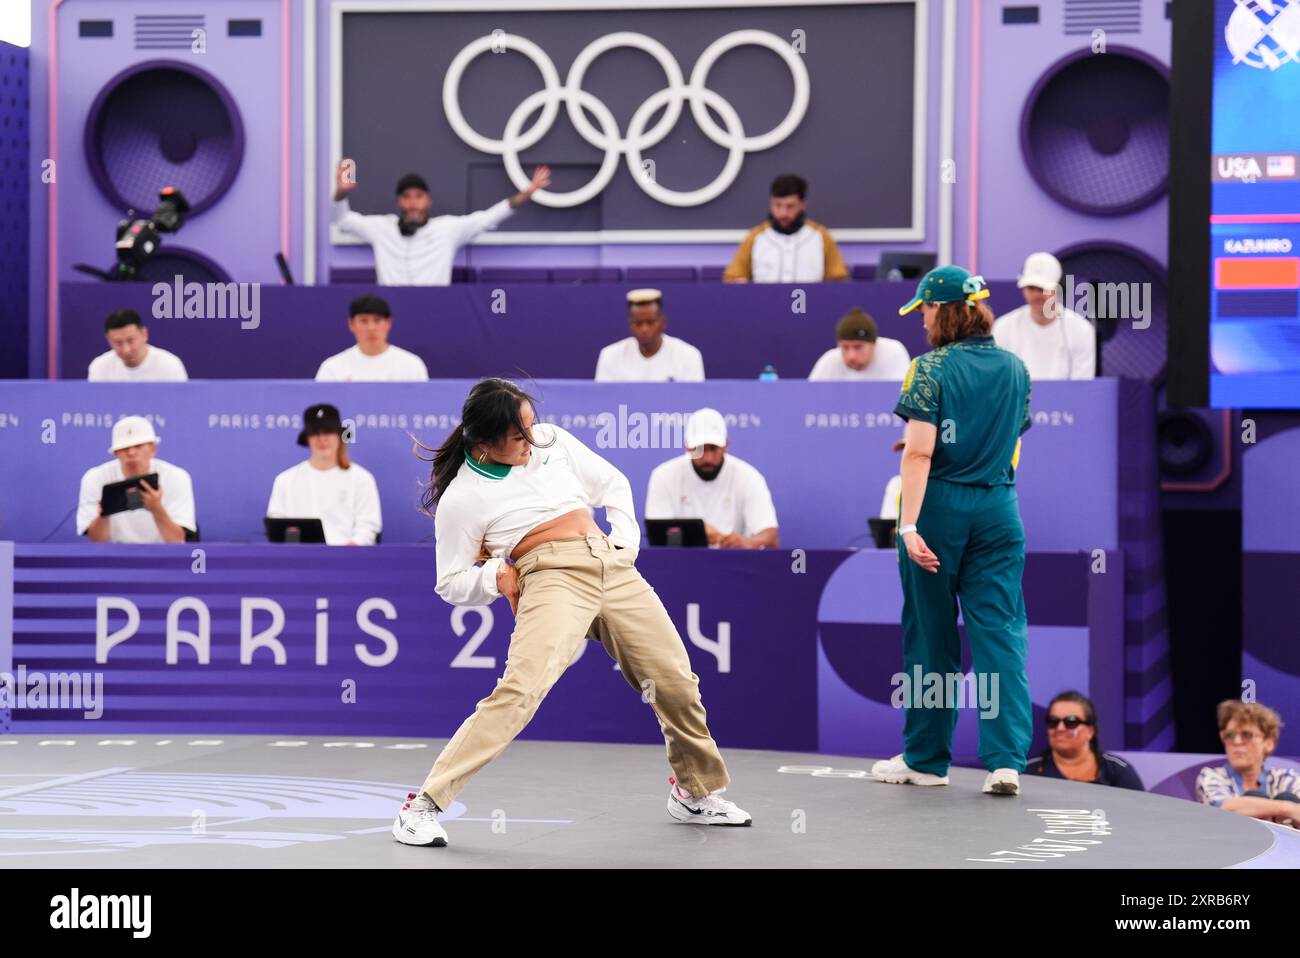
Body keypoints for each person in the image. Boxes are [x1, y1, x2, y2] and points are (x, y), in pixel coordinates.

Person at [393, 379, 750, 846]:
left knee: (675, 680)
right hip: (550, 575)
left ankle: (693, 791)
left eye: (531, 426)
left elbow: (613, 484)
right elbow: (450, 581)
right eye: (519, 436)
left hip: (610, 563)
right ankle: (423, 806)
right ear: (484, 442)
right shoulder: (463, 498)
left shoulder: (552, 441)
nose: (532, 439)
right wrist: (495, 576)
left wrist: (625, 542)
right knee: (521, 689)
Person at [870, 265, 1034, 796]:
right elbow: (1014, 444)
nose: (922, 322)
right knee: (1000, 635)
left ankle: (926, 760)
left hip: (940, 507)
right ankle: (1006, 762)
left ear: (941, 311)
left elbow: (918, 452)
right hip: (1000, 506)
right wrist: (995, 489)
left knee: (931, 635)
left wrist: (910, 523)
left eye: (924, 311)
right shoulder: (1016, 368)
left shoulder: (928, 368)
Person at [330, 161, 551, 286]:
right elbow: (341, 220)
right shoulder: (381, 228)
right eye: (407, 197)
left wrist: (527, 192)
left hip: (436, 306)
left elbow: (488, 218)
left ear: (428, 200)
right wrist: (341, 192)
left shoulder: (447, 229)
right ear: (399, 202)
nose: (413, 202)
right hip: (389, 311)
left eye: (418, 196)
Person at [644, 408, 779, 549]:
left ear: (726, 445)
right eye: (700, 448)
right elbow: (658, 534)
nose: (708, 457)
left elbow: (770, 537)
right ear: (687, 446)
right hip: (680, 564)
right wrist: (698, 533)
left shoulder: (749, 477)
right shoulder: (663, 476)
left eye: (713, 448)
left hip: (734, 563)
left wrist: (745, 543)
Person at [266, 403, 382, 545]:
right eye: (315, 432)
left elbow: (368, 528)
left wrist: (351, 547)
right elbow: (277, 526)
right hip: (297, 562)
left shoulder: (361, 479)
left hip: (346, 561)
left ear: (339, 436)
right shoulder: (285, 480)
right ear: (307, 438)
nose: (322, 438)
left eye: (328, 431)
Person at [77, 416, 196, 544]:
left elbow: (177, 541)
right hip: (114, 556)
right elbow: (96, 542)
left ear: (153, 449)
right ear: (115, 453)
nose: (131, 452)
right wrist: (104, 513)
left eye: (138, 446)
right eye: (124, 448)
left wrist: (157, 508)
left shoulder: (176, 477)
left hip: (162, 556)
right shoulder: (95, 478)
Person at [723, 174, 849, 283]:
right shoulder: (755, 237)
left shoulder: (820, 236)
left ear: (802, 205)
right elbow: (733, 278)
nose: (783, 213)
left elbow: (838, 282)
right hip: (764, 307)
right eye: (777, 205)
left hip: (809, 308)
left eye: (790, 206)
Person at [992, 251, 1096, 380]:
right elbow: (999, 381)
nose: (1036, 295)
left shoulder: (1081, 330)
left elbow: (1082, 386)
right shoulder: (1003, 327)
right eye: (1031, 288)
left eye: (1042, 289)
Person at [1196, 700, 1300, 828]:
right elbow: (1225, 810)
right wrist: (1287, 808)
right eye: (1229, 735)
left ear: (1268, 743)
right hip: (1234, 846)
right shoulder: (1210, 777)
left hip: (1290, 848)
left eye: (1247, 735)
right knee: (1260, 797)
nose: (1237, 742)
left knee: (1287, 796)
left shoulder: (1286, 778)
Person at [1024, 691, 1144, 790]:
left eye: (1071, 722)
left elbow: (1142, 812)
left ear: (1090, 731)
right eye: (1053, 722)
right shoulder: (1029, 771)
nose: (1060, 728)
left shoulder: (1117, 771)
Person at [594, 289, 705, 382]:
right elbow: (604, 401)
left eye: (651, 322)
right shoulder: (610, 355)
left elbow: (693, 402)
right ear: (630, 325)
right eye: (638, 323)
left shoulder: (688, 355)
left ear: (663, 323)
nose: (644, 329)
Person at [315, 294, 429, 382]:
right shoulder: (332, 368)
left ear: (388, 323)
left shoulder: (411, 365)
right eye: (363, 321)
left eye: (377, 320)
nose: (371, 328)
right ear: (351, 324)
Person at [808, 308, 911, 381]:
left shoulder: (894, 353)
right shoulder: (829, 359)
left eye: (858, 347)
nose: (851, 356)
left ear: (874, 344)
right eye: (845, 347)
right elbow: (808, 398)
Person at [87, 309, 188, 382]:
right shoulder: (99, 367)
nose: (126, 350)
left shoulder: (169, 365)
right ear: (109, 340)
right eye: (118, 343)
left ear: (144, 334)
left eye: (131, 340)